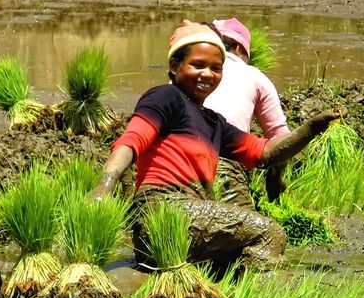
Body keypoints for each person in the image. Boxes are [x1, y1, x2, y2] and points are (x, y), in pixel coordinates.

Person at [91, 21, 338, 270]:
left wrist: (311, 128)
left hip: (187, 220)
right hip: (165, 211)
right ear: (175, 66)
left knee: (232, 260)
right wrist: (105, 185)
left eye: (216, 68)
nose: (207, 74)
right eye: (197, 65)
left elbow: (266, 152)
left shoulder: (214, 123)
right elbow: (131, 140)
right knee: (270, 233)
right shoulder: (166, 97)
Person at [203, 17, 290, 208]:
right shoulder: (255, 77)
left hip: (177, 161)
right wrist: (275, 178)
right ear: (239, 49)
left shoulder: (191, 72)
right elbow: (282, 139)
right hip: (226, 166)